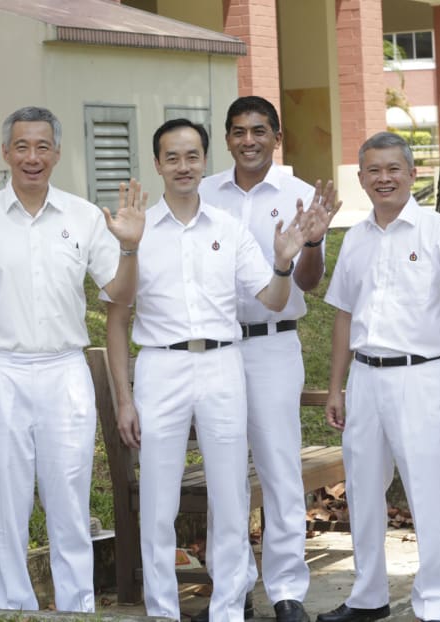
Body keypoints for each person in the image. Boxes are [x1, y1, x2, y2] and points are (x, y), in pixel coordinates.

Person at [104, 118, 306, 621]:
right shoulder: (136, 228)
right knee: (159, 500)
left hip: (222, 365)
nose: (183, 166)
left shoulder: (228, 228)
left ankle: (228, 610)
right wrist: (124, 399)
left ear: (204, 161)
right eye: (172, 157)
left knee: (231, 494)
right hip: (161, 367)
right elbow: (117, 315)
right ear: (157, 164)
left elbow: (273, 299)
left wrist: (283, 264)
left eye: (192, 156)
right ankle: (162, 611)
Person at [0, 106, 145, 612]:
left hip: (64, 371)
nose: (31, 157)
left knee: (69, 500)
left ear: (57, 153)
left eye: (42, 146)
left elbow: (120, 295)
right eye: (22, 146)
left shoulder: (83, 216)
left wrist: (129, 249)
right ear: (5, 152)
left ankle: (76, 607)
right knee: (4, 504)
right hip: (0, 372)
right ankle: (14, 608)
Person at [317, 131, 440, 622]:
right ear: (361, 178)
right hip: (365, 377)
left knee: (426, 488)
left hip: (419, 376)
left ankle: (436, 602)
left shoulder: (439, 231)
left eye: (394, 169)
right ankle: (367, 596)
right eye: (374, 170)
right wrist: (336, 386)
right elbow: (344, 313)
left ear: (413, 174)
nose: (384, 178)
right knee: (362, 487)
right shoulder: (355, 237)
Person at [194, 95, 339, 622]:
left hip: (273, 345)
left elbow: (308, 282)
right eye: (238, 131)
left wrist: (314, 243)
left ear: (277, 137)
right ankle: (231, 592)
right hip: (216, 349)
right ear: (226, 139)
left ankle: (286, 591)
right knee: (225, 472)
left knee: (278, 466)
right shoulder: (204, 194)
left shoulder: (300, 196)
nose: (248, 140)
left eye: (259, 131)